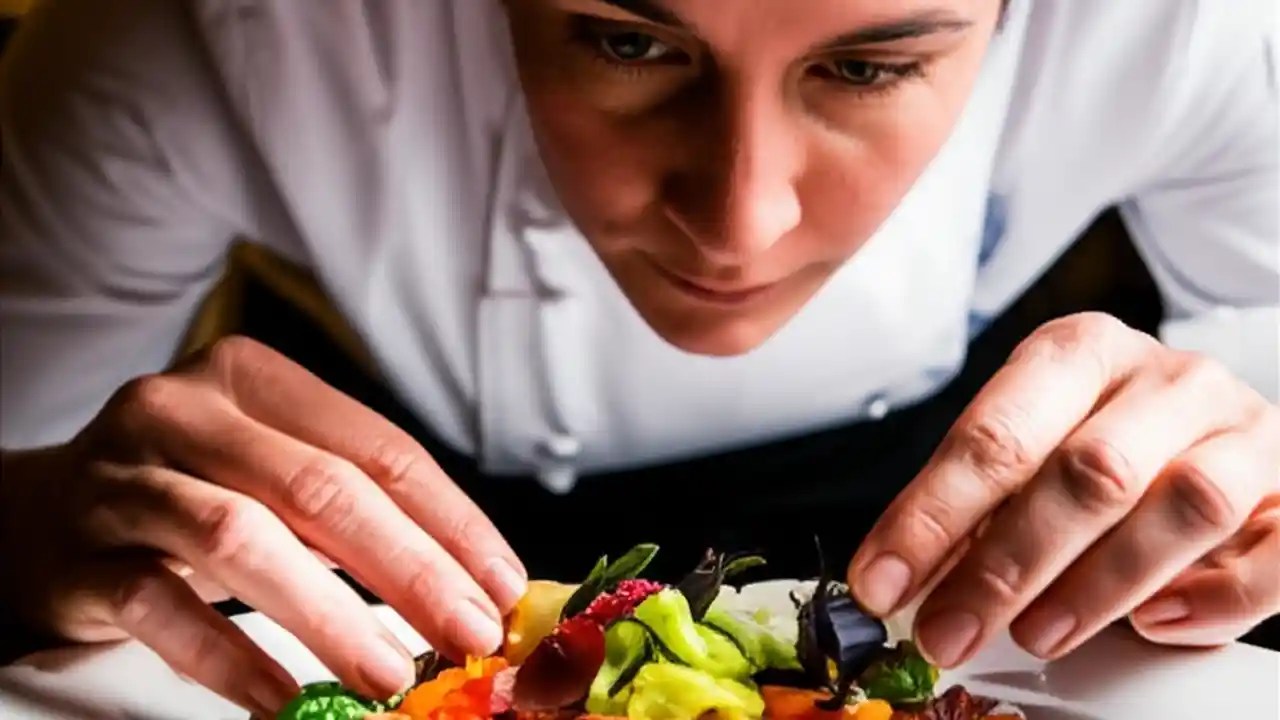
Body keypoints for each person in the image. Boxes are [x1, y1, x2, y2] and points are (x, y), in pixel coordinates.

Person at [1, 0, 1276, 715]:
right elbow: (24, 451)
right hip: (370, 541)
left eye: (870, 64)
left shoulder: (1178, 23)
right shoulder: (185, 37)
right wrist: (35, 527)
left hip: (939, 510)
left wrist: (1244, 484)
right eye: (625, 40)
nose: (739, 226)